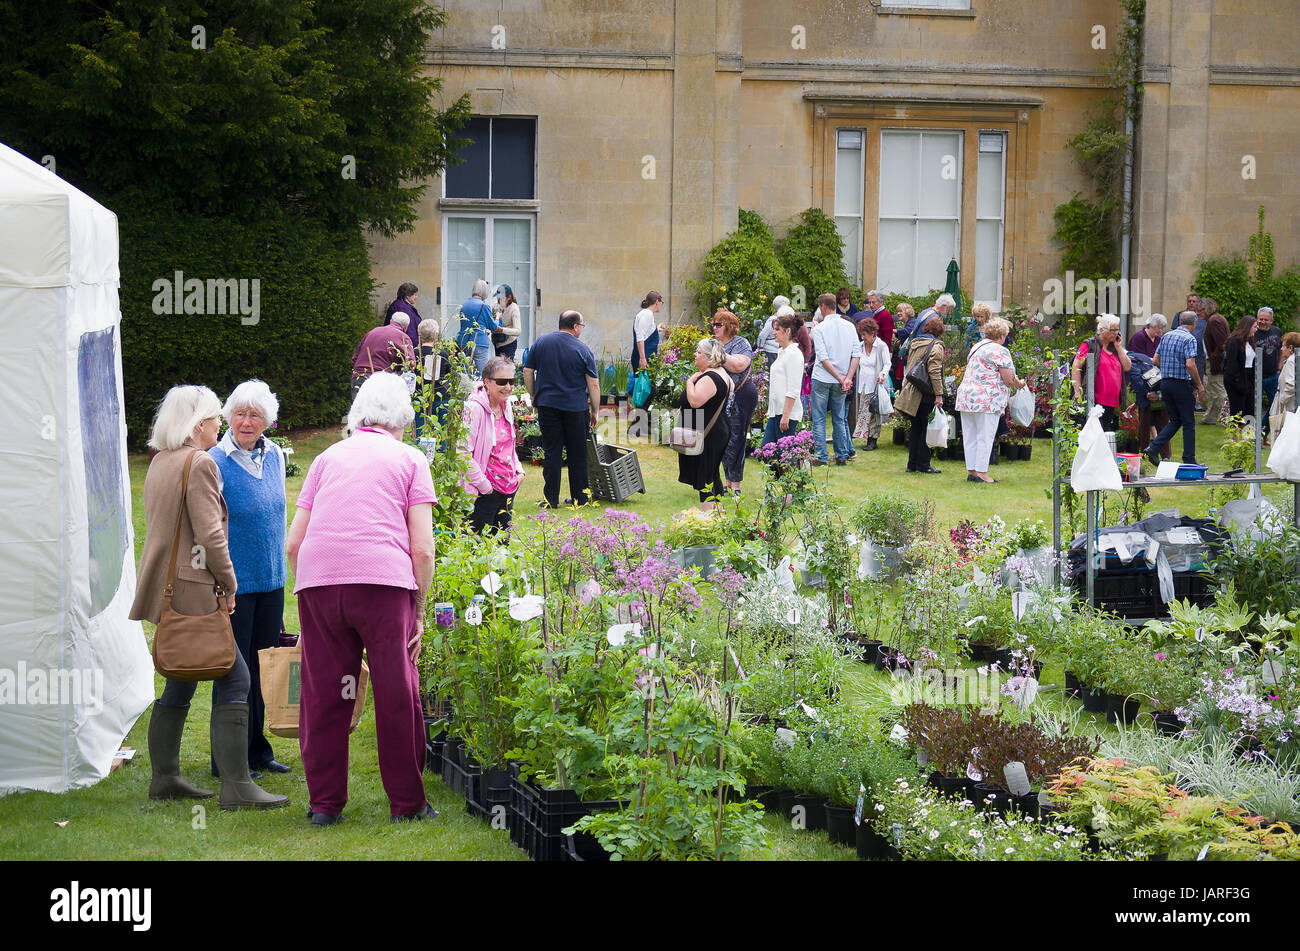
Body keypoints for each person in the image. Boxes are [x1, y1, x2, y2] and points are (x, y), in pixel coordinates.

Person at [286, 372, 437, 825]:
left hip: (319, 582)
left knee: (324, 694)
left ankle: (324, 806)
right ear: (402, 419)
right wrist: (420, 607)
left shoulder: (326, 459)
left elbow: (293, 543)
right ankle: (407, 805)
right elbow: (423, 548)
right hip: (383, 585)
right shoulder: (410, 459)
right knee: (397, 691)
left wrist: (312, 586)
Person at [130, 385, 289, 810]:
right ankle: (236, 785)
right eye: (216, 416)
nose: (221, 423)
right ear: (198, 423)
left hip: (168, 587)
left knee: (179, 678)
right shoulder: (199, 463)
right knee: (236, 677)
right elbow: (211, 534)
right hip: (195, 588)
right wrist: (230, 583)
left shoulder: (162, 459)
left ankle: (165, 778)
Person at [206, 380, 292, 779]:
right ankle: (226, 758)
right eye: (239, 413)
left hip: (271, 581)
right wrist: (222, 584)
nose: (246, 421)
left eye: (255, 414)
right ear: (228, 417)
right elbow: (208, 527)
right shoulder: (214, 462)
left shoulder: (275, 455)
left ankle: (257, 750)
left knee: (263, 670)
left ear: (267, 421)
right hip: (234, 586)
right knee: (232, 671)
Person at [522, 310, 601, 508]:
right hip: (575, 409)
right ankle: (579, 499)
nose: (581, 329)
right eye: (581, 326)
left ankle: (550, 500)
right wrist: (595, 411)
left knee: (552, 452)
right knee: (577, 454)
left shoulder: (541, 343)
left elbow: (527, 371)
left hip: (548, 406)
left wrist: (533, 396)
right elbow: (594, 384)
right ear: (575, 327)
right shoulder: (582, 349)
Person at [956, 317, 1025, 484]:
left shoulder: (977, 347)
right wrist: (1020, 384)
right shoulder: (1000, 350)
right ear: (1001, 335)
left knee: (970, 436)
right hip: (986, 398)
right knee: (985, 436)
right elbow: (1008, 379)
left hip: (967, 396)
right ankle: (982, 473)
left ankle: (972, 471)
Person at [462, 356, 525, 536]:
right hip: (484, 492)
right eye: (502, 381)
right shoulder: (473, 409)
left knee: (502, 548)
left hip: (508, 487)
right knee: (477, 547)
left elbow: (509, 444)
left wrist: (519, 472)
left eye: (511, 381)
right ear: (487, 382)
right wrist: (485, 486)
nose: (508, 387)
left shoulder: (506, 406)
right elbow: (462, 453)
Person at [677, 337, 733, 509]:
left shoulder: (710, 377)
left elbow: (694, 401)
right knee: (711, 473)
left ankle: (708, 519)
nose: (695, 354)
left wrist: (689, 382)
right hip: (717, 429)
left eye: (699, 352)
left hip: (710, 433)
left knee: (705, 477)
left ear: (709, 357)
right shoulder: (723, 374)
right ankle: (718, 515)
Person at [809, 292, 862, 466]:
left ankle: (821, 456)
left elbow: (823, 358)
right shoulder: (849, 326)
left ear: (823, 307)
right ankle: (841, 455)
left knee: (819, 418)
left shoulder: (819, 329)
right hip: (842, 378)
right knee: (839, 418)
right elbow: (856, 354)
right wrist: (847, 378)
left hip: (823, 378)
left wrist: (842, 378)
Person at [1148, 310, 1206, 465]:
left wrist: (1168, 368)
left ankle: (1153, 447)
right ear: (1194, 323)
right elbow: (1190, 364)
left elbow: (1155, 360)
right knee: (1188, 422)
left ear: (1180, 322)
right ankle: (1189, 459)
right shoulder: (1190, 338)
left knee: (1175, 420)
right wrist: (1199, 385)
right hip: (1181, 384)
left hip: (1166, 384)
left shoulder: (1166, 336)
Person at [712, 308, 758, 492]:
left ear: (729, 327)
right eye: (713, 324)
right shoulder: (716, 344)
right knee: (723, 440)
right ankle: (727, 483)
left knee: (736, 439)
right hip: (723, 398)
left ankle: (735, 485)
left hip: (741, 396)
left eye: (718, 324)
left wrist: (717, 354)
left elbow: (739, 365)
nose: (714, 327)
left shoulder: (741, 343)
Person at [896, 314, 947, 474]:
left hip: (911, 391)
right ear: (939, 331)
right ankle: (923, 465)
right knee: (926, 427)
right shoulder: (936, 346)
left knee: (916, 428)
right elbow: (934, 371)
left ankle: (912, 464)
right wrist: (939, 395)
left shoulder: (915, 344)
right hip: (925, 392)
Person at [1070, 314, 1132, 432]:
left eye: (1117, 330)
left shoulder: (1115, 347)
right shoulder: (1089, 344)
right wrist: (1077, 391)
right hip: (1094, 400)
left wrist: (1119, 348)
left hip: (1111, 402)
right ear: (1102, 330)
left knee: (1105, 435)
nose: (1116, 333)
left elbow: (1127, 367)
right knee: (1094, 435)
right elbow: (1076, 366)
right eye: (1113, 330)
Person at [763, 312, 805, 447]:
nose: (773, 333)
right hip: (776, 413)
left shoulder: (794, 354)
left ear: (787, 331)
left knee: (784, 456)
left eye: (777, 330)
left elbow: (793, 389)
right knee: (767, 451)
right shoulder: (782, 352)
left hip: (786, 415)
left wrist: (785, 416)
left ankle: (801, 465)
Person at [352, 312, 416, 395]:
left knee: (360, 408)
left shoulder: (372, 332)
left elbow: (354, 359)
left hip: (359, 377)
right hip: (381, 381)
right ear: (406, 326)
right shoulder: (403, 338)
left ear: (390, 321)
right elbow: (410, 364)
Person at [853, 317, 891, 451]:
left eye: (864, 334)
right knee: (864, 412)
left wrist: (882, 374)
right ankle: (865, 436)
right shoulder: (860, 346)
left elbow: (887, 363)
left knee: (874, 412)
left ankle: (873, 440)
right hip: (862, 384)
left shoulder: (881, 346)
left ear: (873, 333)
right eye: (861, 334)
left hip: (876, 385)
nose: (862, 337)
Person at [415, 319, 452, 442]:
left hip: (420, 396)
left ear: (419, 335)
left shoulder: (415, 353)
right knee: (441, 430)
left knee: (420, 429)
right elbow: (448, 373)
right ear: (436, 335)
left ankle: (421, 454)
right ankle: (440, 454)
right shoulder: (442, 353)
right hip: (440, 395)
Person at [456, 279, 501, 377]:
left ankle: (466, 392)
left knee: (464, 375)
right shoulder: (484, 306)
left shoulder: (464, 305)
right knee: (483, 374)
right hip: (479, 343)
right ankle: (481, 392)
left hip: (463, 342)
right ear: (484, 292)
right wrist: (497, 317)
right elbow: (493, 327)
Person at [1222, 312, 1259, 419]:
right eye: (1254, 327)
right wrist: (1239, 383)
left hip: (1249, 378)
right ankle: (1235, 435)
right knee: (1238, 412)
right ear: (1247, 327)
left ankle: (1247, 434)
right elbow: (1232, 365)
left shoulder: (1250, 342)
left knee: (1250, 411)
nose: (1256, 329)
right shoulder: (1234, 342)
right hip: (1236, 379)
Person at [1198, 298, 1229, 425]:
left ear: (1206, 309)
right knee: (1213, 390)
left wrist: (1214, 357)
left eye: (1200, 310)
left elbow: (1222, 344)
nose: (1198, 313)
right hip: (1214, 360)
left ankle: (1225, 418)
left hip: (1216, 362)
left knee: (1218, 391)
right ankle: (1210, 418)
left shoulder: (1214, 320)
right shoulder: (1214, 319)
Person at [1255, 306, 1285, 437]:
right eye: (1260, 319)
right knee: (1254, 407)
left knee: (1274, 407)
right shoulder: (1253, 333)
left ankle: (1263, 434)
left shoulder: (1277, 331)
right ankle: (1255, 436)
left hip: (1273, 375)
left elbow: (1281, 351)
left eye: (1265, 320)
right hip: (1257, 377)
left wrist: (1279, 368)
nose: (1262, 322)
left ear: (1271, 321)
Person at [1268, 332, 1300, 427]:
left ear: (1291, 348)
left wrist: (1282, 400)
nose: (1281, 349)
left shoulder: (1291, 361)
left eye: (1283, 346)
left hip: (1290, 405)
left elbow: (1292, 385)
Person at [631, 290, 666, 376]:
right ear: (657, 302)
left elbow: (645, 333)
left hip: (646, 357)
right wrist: (643, 359)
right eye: (662, 302)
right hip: (644, 358)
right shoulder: (647, 314)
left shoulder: (645, 313)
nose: (661, 305)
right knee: (643, 388)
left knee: (644, 387)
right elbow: (640, 337)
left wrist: (656, 328)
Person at [383, 282, 422, 350]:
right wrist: (415, 349)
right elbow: (410, 331)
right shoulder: (403, 308)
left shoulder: (399, 305)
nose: (416, 297)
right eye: (415, 295)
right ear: (408, 296)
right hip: (404, 346)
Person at [755, 295, 791, 367]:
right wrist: (760, 348)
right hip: (771, 352)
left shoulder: (779, 319)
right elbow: (762, 335)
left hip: (776, 351)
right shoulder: (772, 321)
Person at [492, 284, 522, 361]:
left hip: (508, 345)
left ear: (509, 297)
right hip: (497, 343)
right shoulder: (496, 307)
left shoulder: (514, 309)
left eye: (501, 298)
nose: (499, 300)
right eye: (498, 297)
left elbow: (518, 331)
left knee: (506, 370)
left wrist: (502, 330)